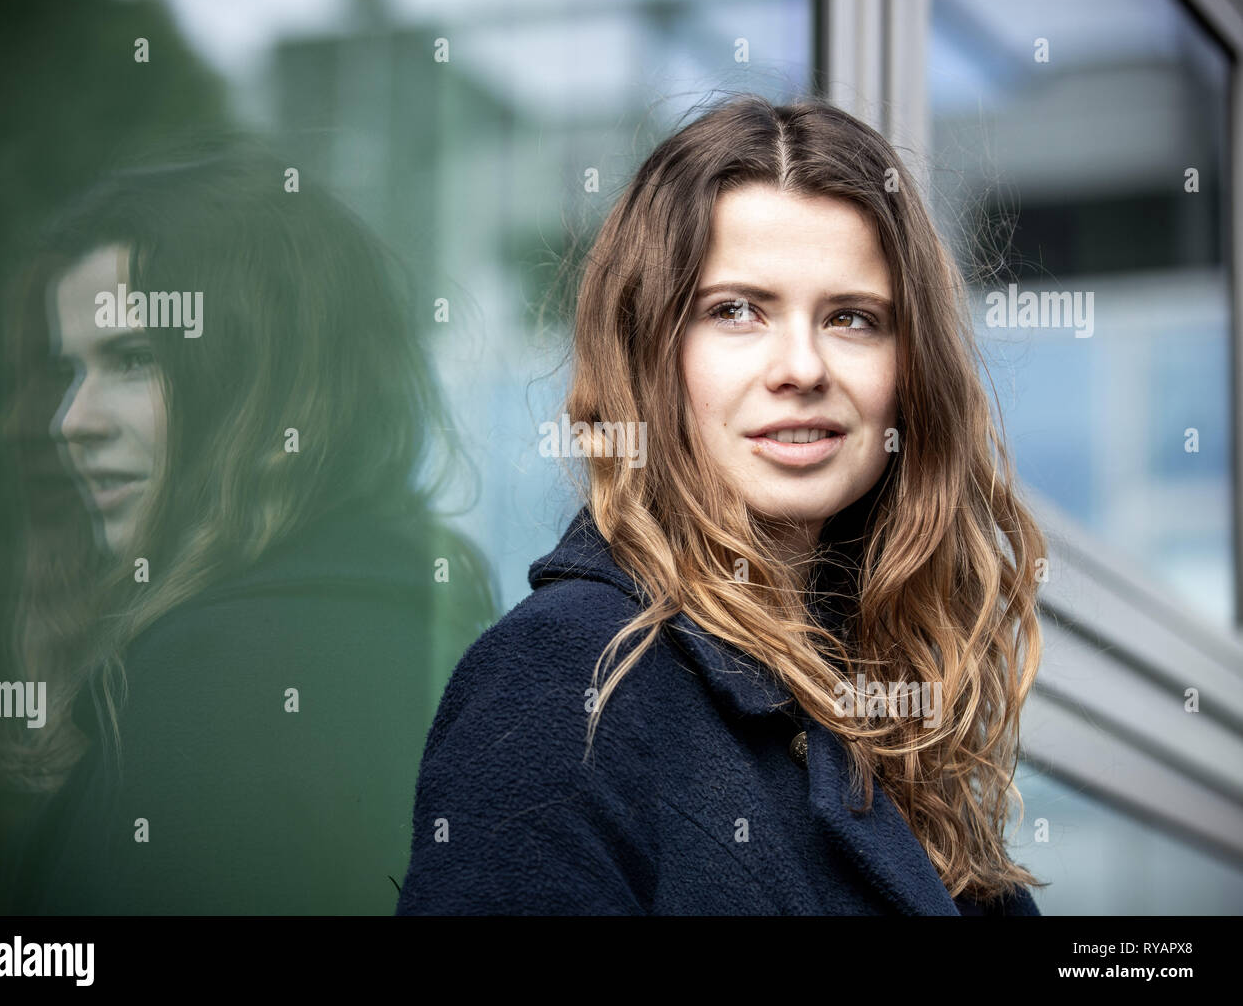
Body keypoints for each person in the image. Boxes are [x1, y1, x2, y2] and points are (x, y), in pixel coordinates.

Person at [396, 95, 1048, 916]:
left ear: (908, 374)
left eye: (852, 318)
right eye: (737, 310)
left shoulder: (881, 694)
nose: (802, 367)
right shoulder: (566, 680)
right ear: (650, 353)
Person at [0, 139, 495, 914]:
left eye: (132, 359)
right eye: (71, 371)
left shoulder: (218, 684)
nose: (72, 420)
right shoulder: (423, 624)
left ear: (272, 377)